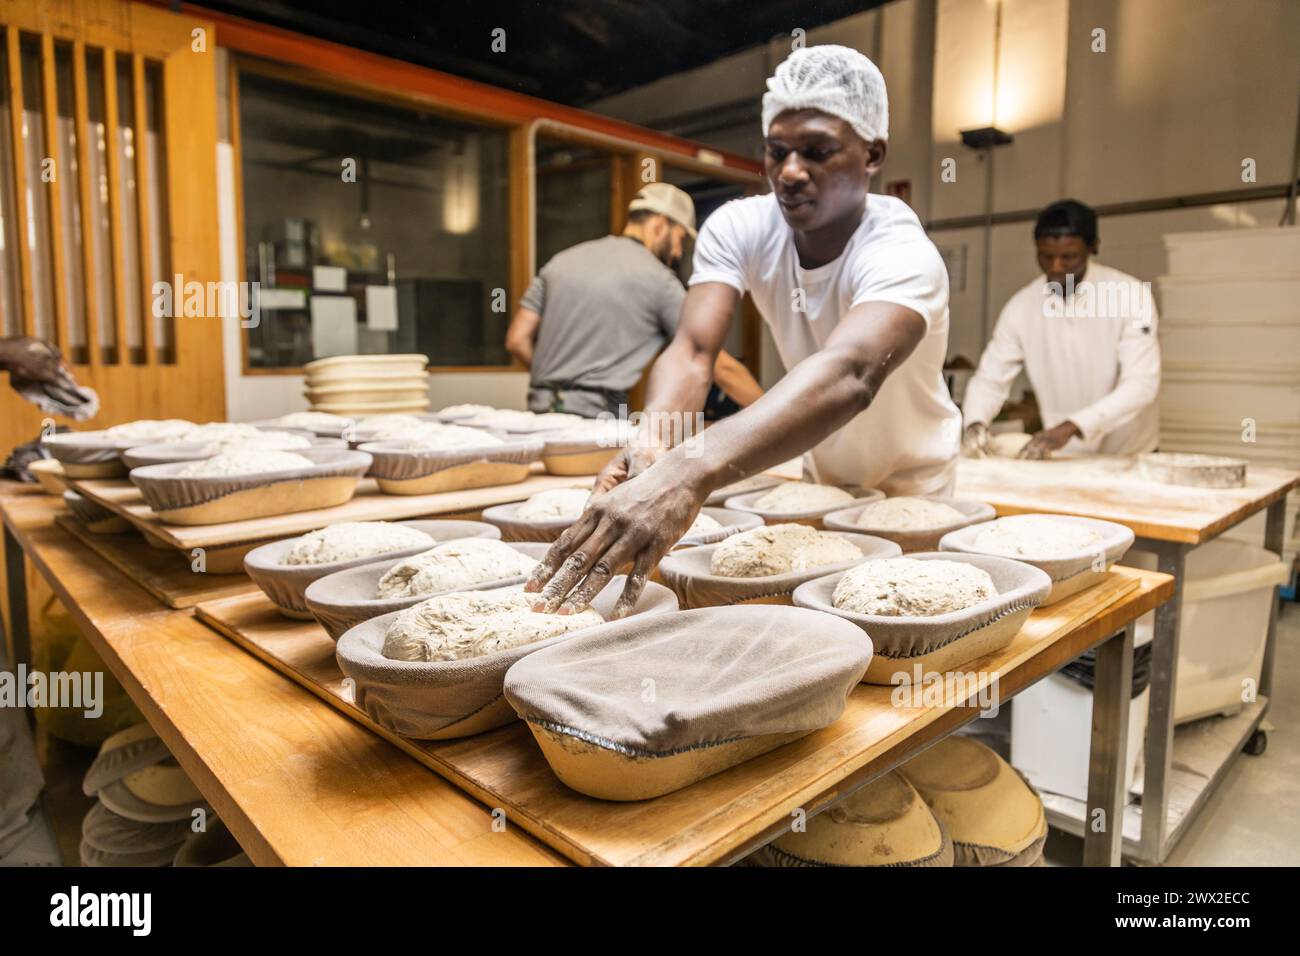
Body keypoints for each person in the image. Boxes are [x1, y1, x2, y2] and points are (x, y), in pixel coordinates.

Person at [525, 44, 962, 617]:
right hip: (820, 478)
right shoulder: (741, 226)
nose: (790, 172)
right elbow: (693, 349)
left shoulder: (902, 253)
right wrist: (656, 441)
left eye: (817, 151)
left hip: (917, 487)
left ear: (872, 153)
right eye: (776, 151)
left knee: (907, 644)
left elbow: (851, 373)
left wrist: (691, 471)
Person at [505, 182, 762, 418]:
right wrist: (769, 412)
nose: (677, 252)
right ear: (660, 225)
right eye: (680, 239)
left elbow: (517, 340)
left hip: (538, 413)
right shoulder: (660, 280)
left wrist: (558, 382)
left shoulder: (559, 262)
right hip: (596, 423)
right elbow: (716, 365)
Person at [961, 199, 1160, 459]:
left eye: (1068, 257)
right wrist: (975, 421)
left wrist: (1074, 426)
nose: (1056, 267)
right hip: (1065, 455)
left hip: (1129, 454)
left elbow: (1141, 384)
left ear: (1093, 247)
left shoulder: (1130, 295)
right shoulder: (1022, 306)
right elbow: (990, 378)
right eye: (1046, 257)